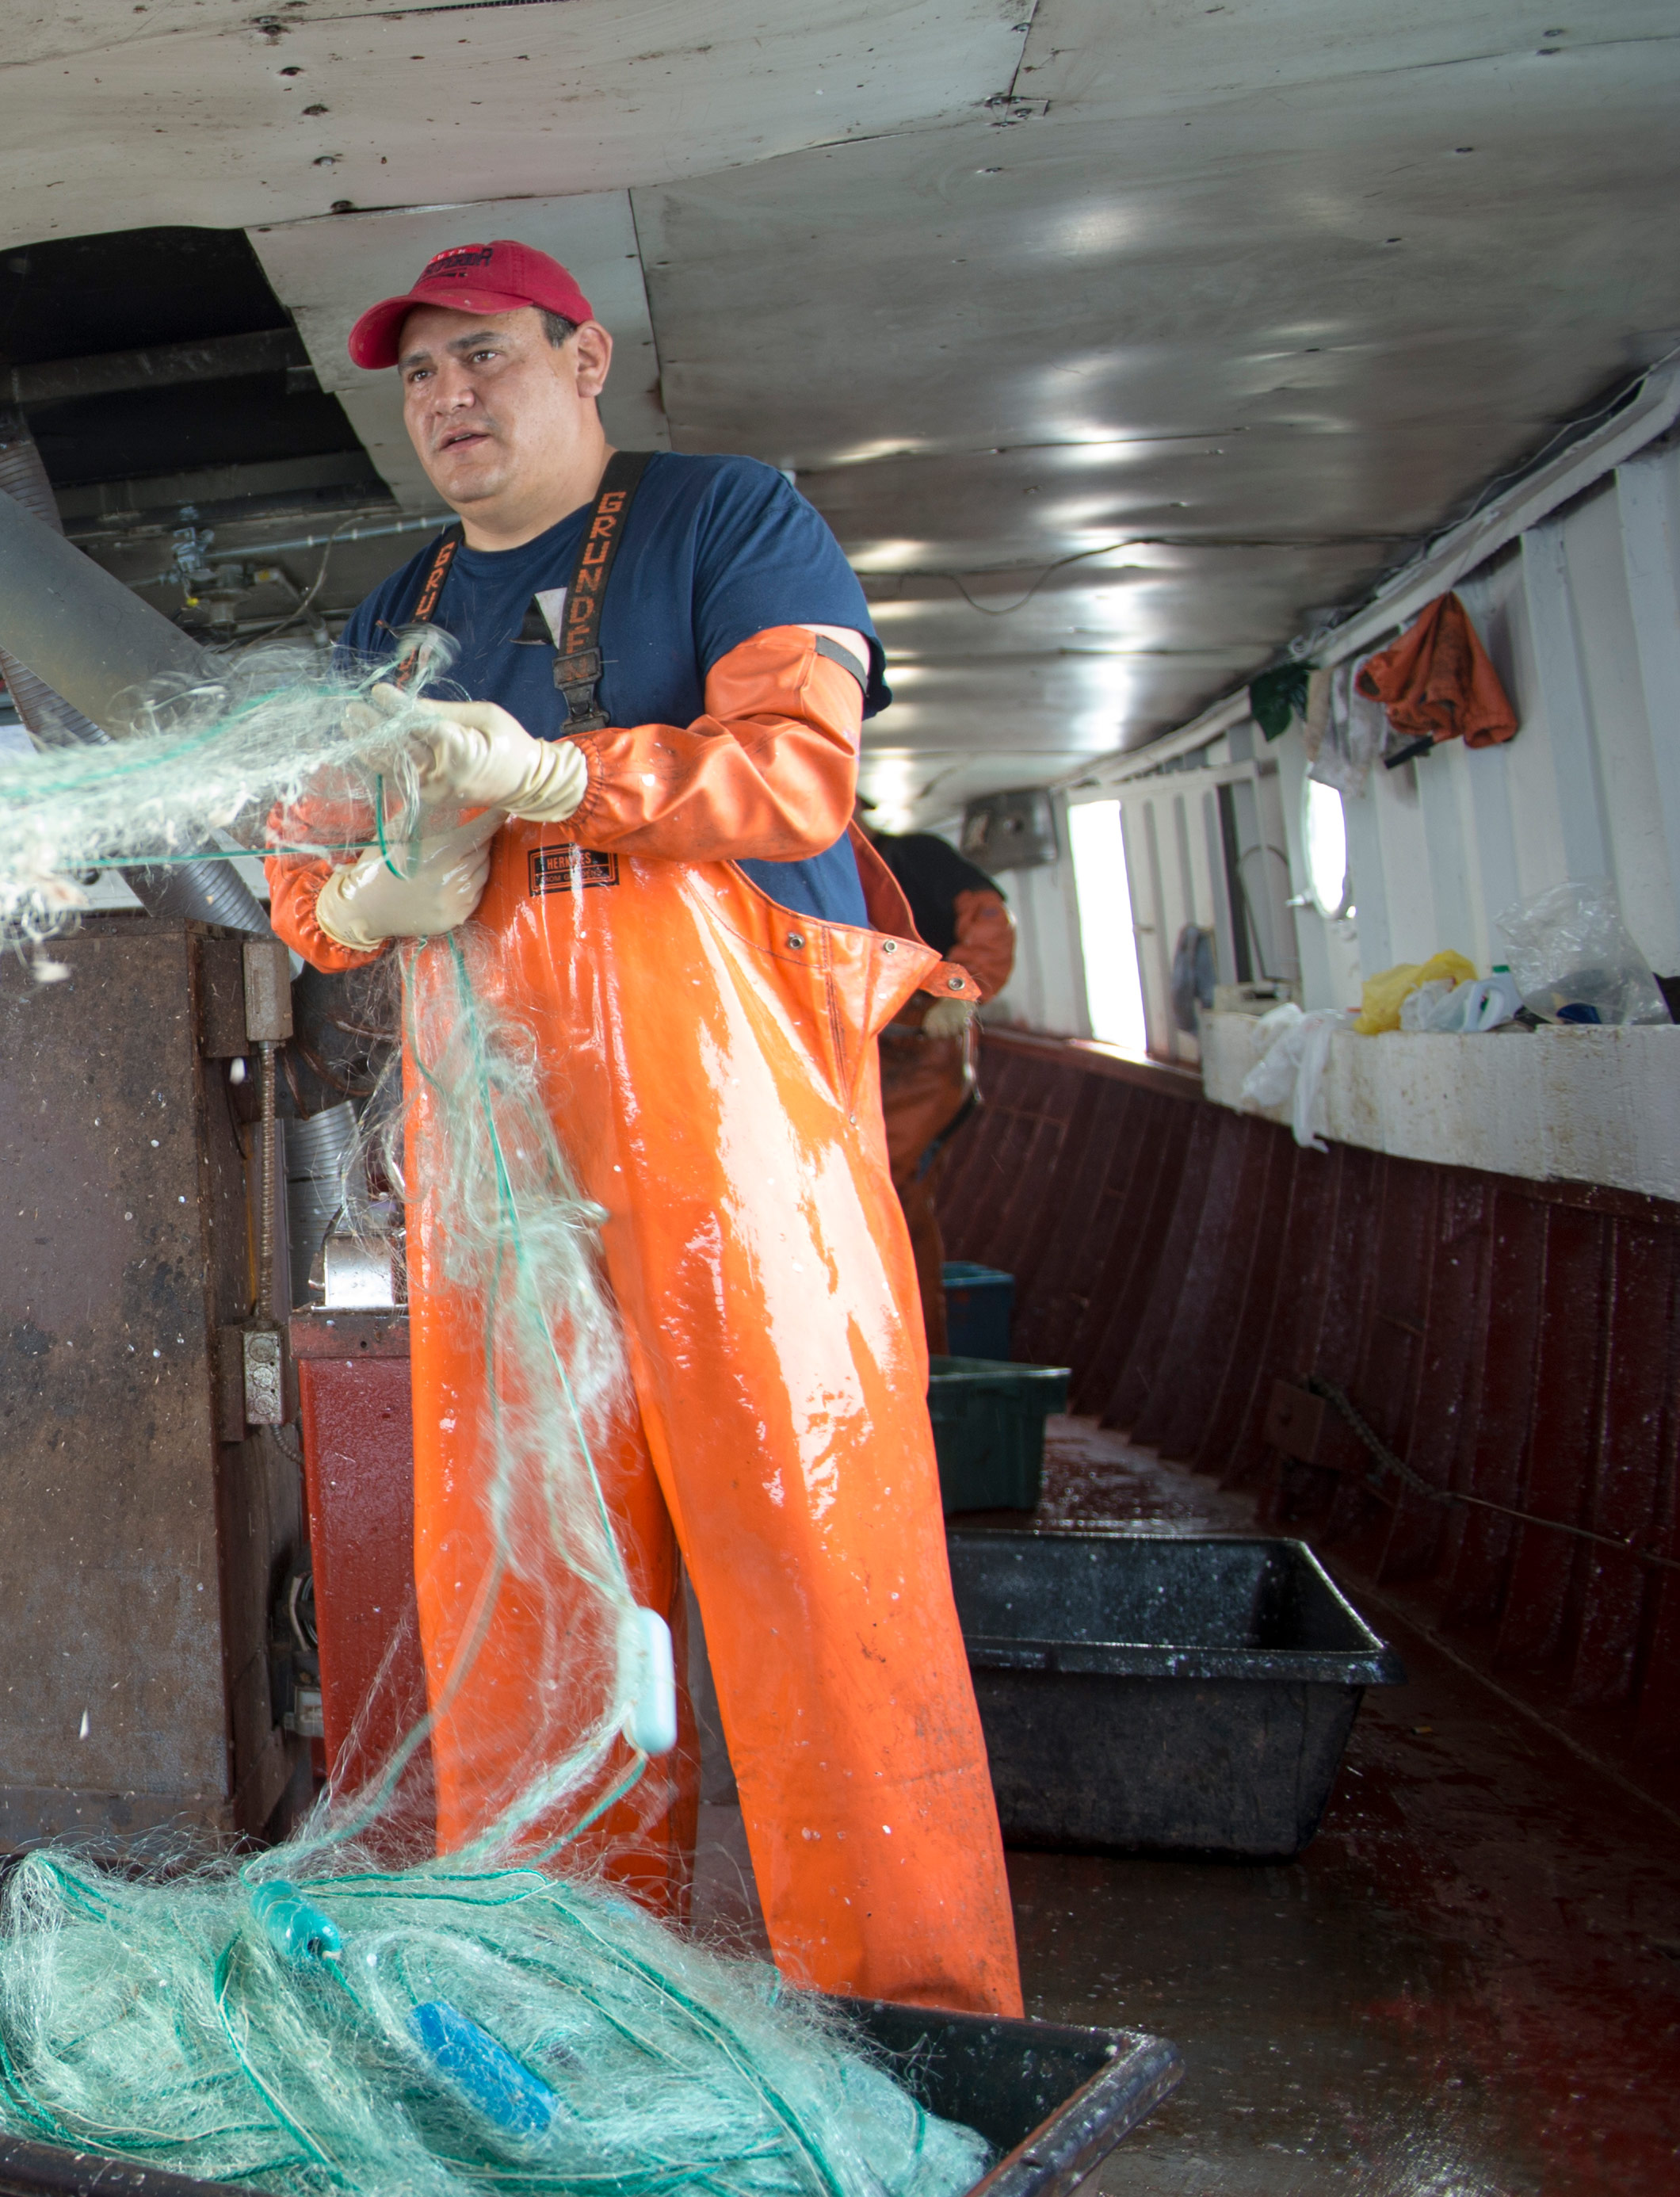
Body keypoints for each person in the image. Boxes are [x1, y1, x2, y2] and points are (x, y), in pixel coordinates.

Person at [258, 240, 1020, 2018]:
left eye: (484, 357)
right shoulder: (399, 611)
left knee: (818, 1568)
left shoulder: (728, 520)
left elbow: (794, 775)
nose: (450, 398)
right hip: (500, 1152)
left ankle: (912, 2023)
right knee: (524, 1579)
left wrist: (550, 780)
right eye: (420, 377)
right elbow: (309, 885)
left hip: (732, 1131)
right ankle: (562, 1999)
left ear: (584, 357)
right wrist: (375, 897)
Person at [864, 816, 1016, 1351]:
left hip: (921, 1052)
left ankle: (918, 1360)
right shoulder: (789, 865)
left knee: (894, 1194)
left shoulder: (915, 857)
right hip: (854, 1046)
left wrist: (958, 989)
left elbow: (989, 920)